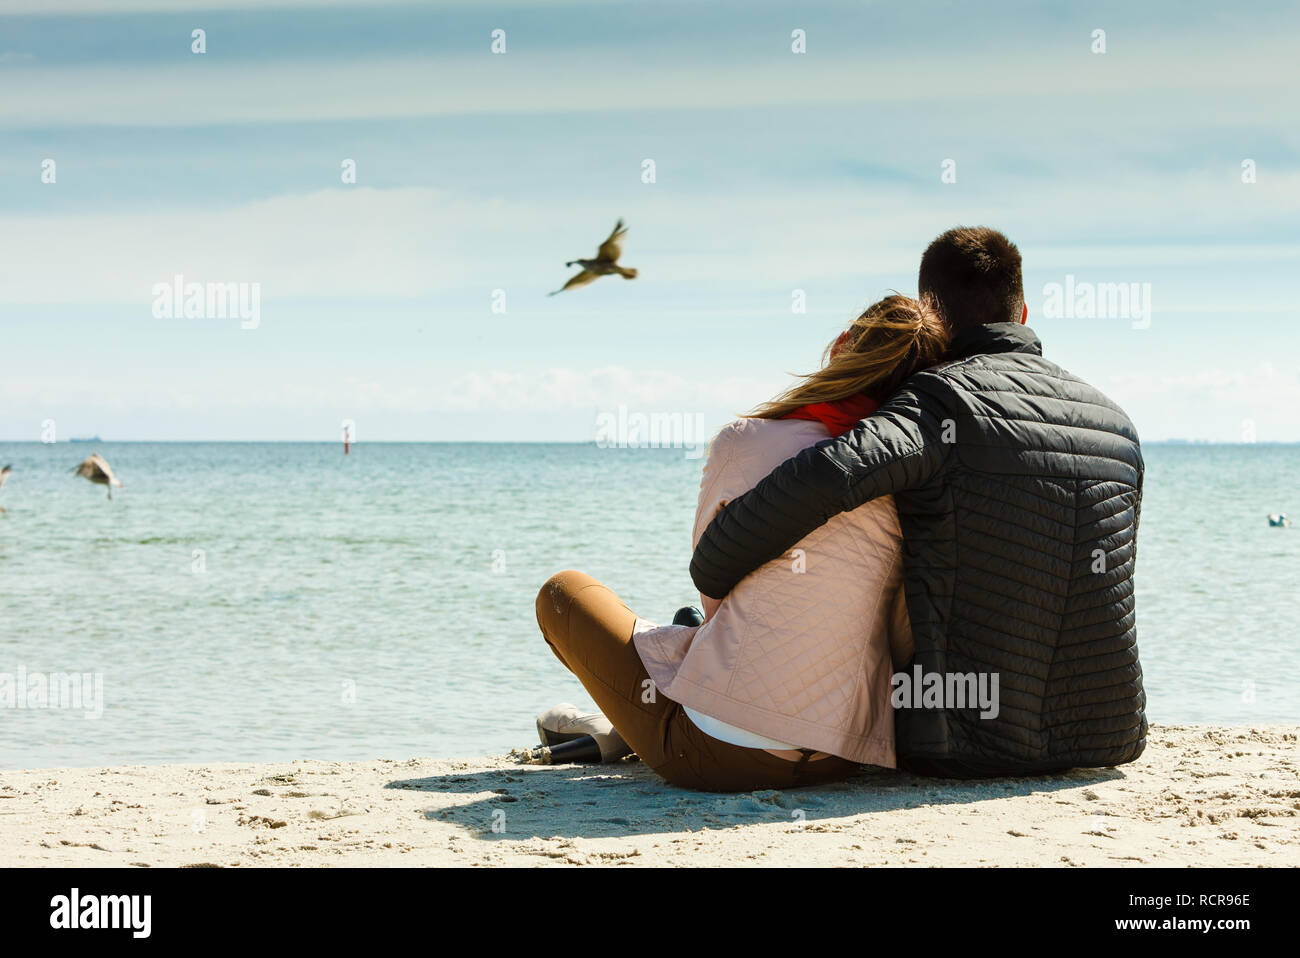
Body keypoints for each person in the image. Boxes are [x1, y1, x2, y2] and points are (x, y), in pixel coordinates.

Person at [690, 226, 1147, 778]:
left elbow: (830, 473)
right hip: (1108, 732)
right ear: (1023, 312)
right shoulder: (1117, 424)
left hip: (965, 741)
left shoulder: (939, 400)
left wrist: (714, 563)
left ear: (930, 313)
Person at [536, 295, 949, 791]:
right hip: (842, 752)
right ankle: (619, 726)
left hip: (717, 753)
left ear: (842, 345)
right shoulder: (915, 478)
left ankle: (616, 727)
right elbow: (902, 631)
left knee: (563, 594)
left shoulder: (743, 441)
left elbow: (716, 595)